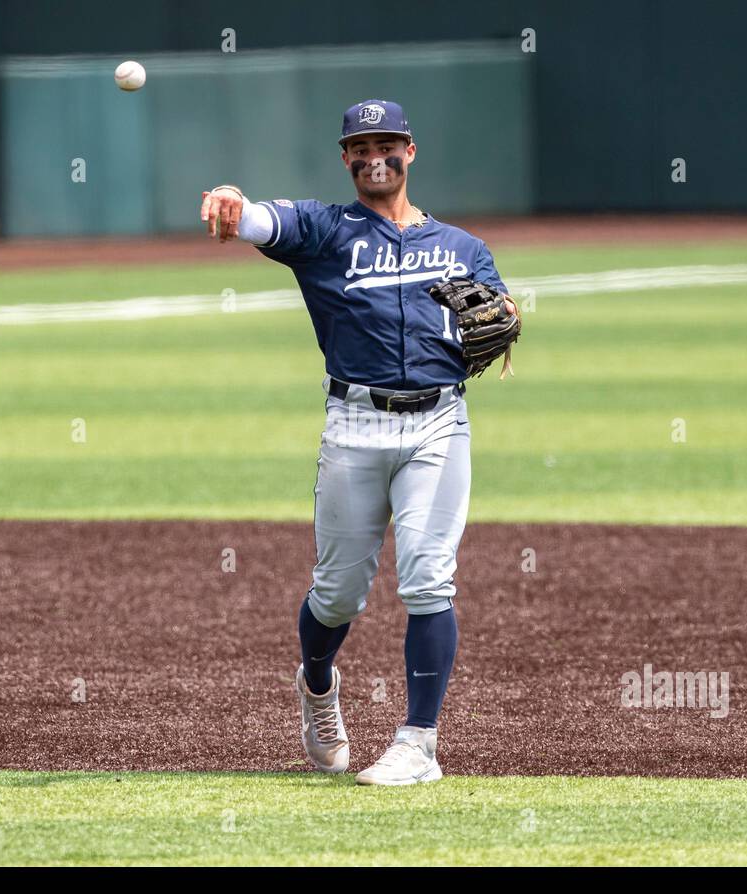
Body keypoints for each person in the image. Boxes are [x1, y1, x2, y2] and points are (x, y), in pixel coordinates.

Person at [199, 99, 515, 785]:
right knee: (338, 595)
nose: (376, 155)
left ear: (411, 151)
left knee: (429, 577)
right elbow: (262, 219)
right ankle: (318, 686)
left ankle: (418, 743)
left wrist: (509, 315)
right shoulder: (323, 230)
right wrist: (233, 206)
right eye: (361, 145)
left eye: (388, 143)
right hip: (354, 425)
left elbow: (499, 316)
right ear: (345, 157)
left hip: (438, 424)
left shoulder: (463, 248)